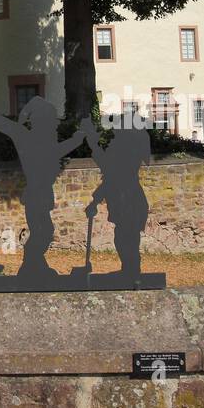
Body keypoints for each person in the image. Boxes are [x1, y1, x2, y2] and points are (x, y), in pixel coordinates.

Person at [0, 97, 86, 282]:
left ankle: (33, 265)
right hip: (36, 195)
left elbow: (56, 151)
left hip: (41, 195)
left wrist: (78, 139)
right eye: (51, 122)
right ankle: (30, 266)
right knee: (43, 232)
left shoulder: (43, 143)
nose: (54, 127)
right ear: (41, 121)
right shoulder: (26, 137)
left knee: (43, 231)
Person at [81, 117, 151, 284]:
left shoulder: (127, 151)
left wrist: (92, 140)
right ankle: (130, 271)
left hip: (129, 201)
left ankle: (132, 273)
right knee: (123, 237)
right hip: (126, 199)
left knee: (126, 237)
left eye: (117, 129)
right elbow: (109, 177)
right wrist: (95, 201)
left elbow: (109, 172)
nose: (113, 132)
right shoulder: (122, 149)